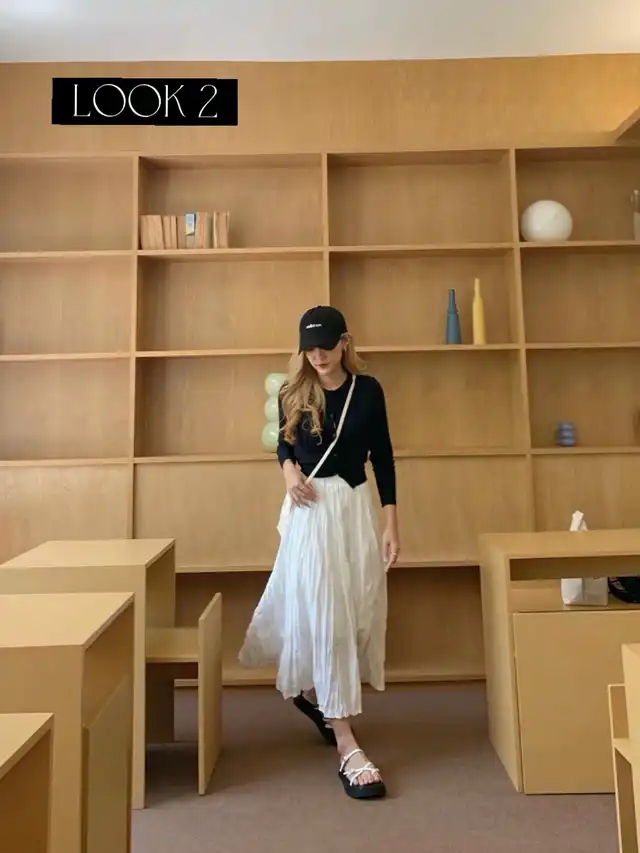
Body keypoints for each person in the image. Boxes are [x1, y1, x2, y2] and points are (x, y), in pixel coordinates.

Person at [239, 304, 399, 800]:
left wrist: (391, 521)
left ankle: (318, 695)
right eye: (309, 349)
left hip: (354, 508)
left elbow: (383, 456)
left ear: (345, 342)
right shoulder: (294, 391)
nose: (318, 357)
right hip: (311, 514)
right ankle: (348, 745)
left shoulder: (367, 391)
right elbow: (284, 446)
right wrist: (289, 473)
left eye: (326, 347)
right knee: (328, 616)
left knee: (357, 614)